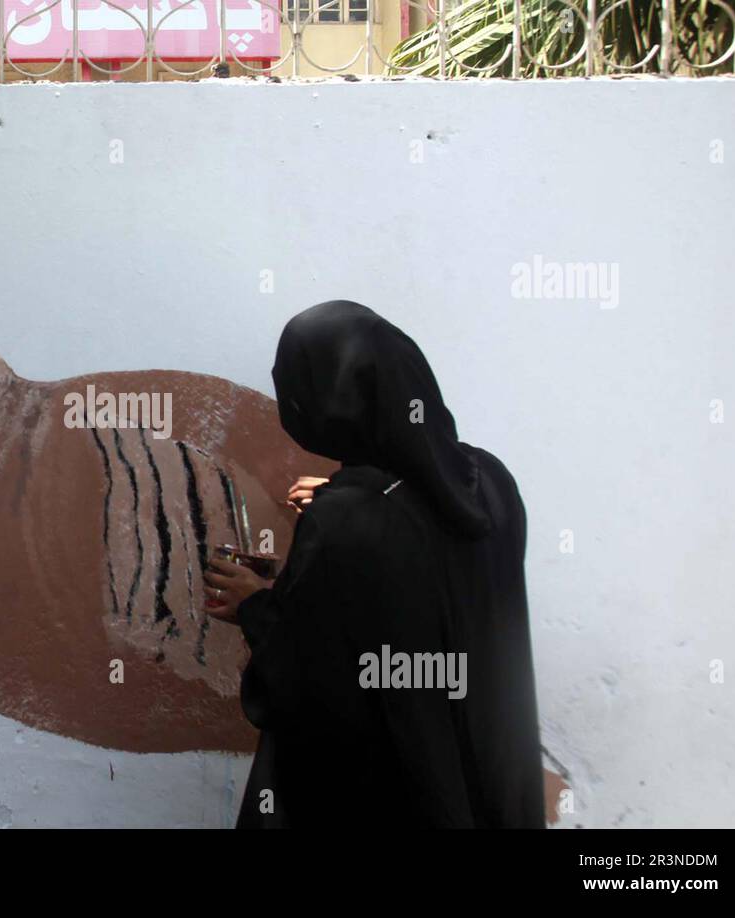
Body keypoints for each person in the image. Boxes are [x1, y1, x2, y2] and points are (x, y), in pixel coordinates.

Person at [204, 300, 544, 829]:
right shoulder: (491, 483)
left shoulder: (348, 520)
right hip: (487, 782)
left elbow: (310, 681)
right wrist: (356, 497)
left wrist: (256, 606)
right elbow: (431, 554)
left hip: (397, 799)